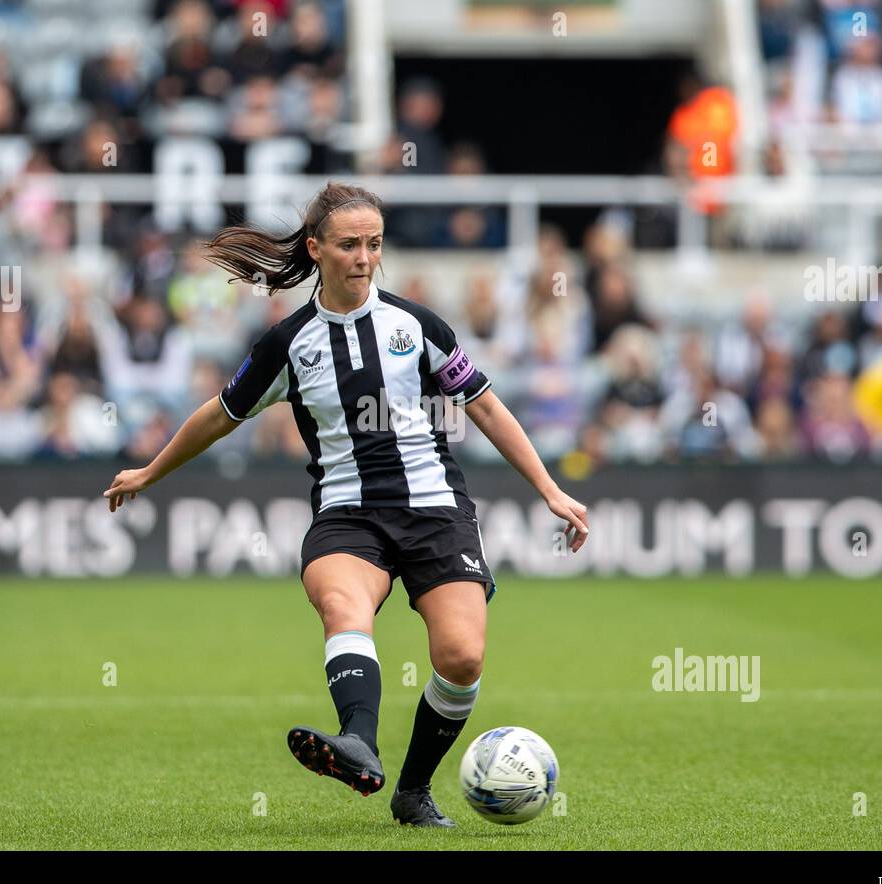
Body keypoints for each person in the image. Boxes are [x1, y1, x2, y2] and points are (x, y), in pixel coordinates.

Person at [102, 182, 590, 827]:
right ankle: (357, 741)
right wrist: (151, 471)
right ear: (316, 249)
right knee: (342, 605)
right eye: (350, 244)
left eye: (375, 244)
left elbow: (488, 407)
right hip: (346, 514)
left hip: (435, 509)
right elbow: (220, 415)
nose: (364, 257)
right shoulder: (289, 343)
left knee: (462, 657)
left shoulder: (416, 326)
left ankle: (412, 791)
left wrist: (551, 490)